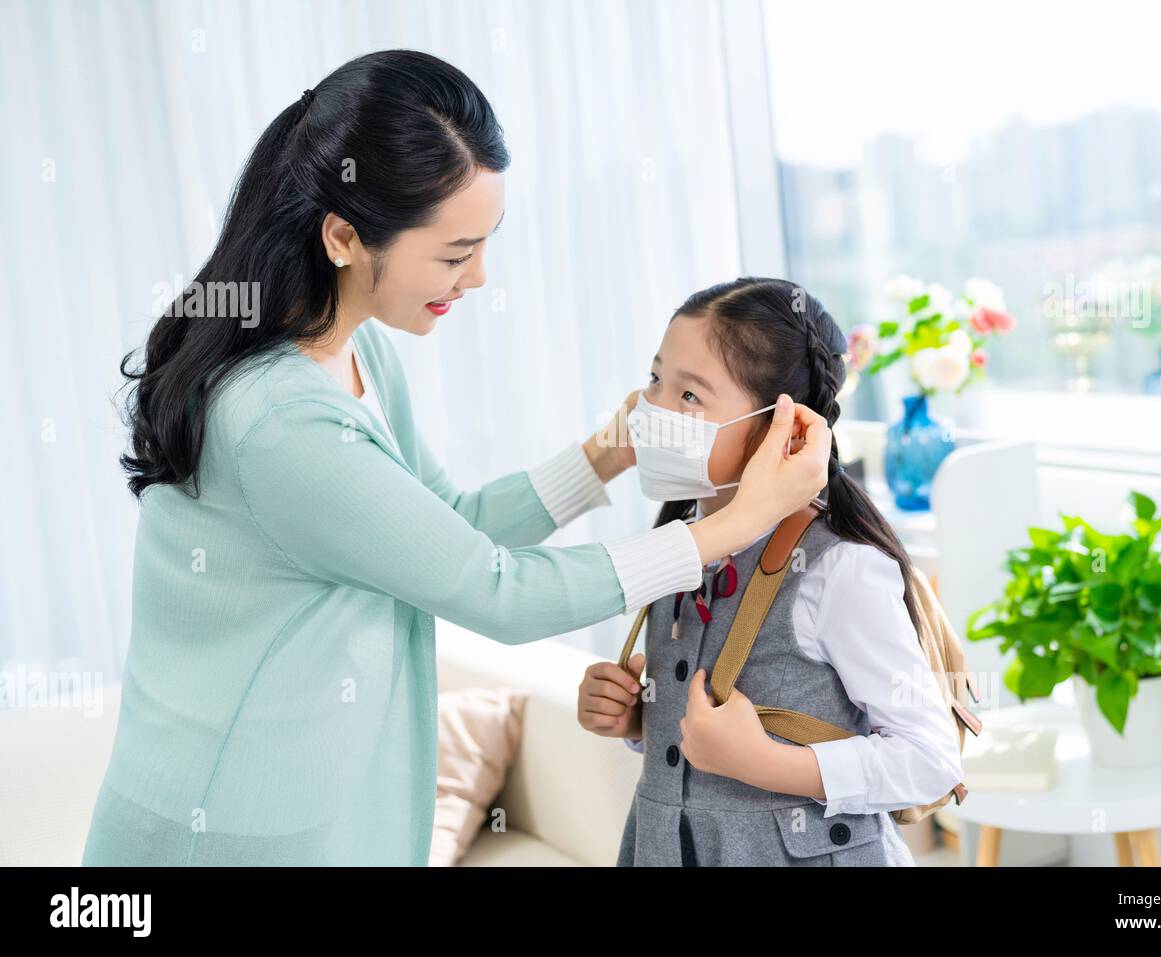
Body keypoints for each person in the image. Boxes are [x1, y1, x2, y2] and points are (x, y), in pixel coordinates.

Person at [82, 52, 831, 867]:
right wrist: (743, 521)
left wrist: (607, 455)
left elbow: (446, 525)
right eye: (452, 253)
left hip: (314, 814)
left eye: (483, 244)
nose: (478, 276)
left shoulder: (356, 348)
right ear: (342, 236)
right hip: (227, 827)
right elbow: (495, 590)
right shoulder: (279, 420)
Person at [577, 277, 964, 866]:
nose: (651, 409)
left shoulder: (840, 569)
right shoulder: (678, 546)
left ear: (780, 426)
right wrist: (640, 717)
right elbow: (694, 743)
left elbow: (930, 759)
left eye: (690, 397)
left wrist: (766, 764)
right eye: (656, 379)